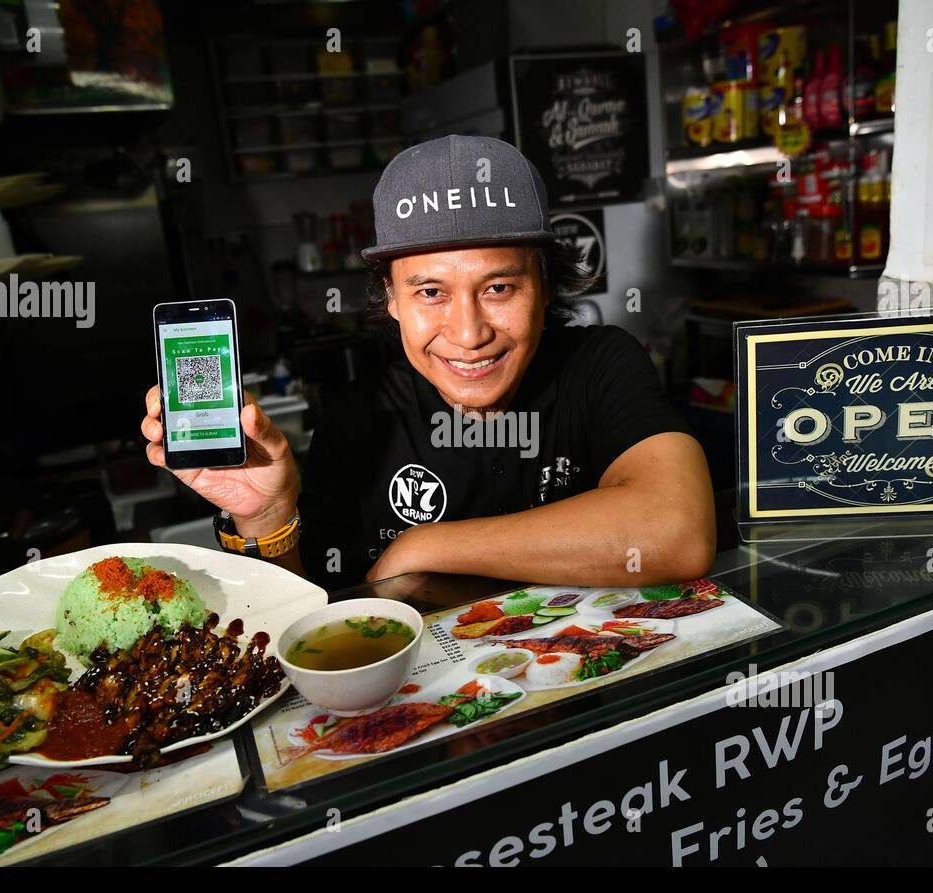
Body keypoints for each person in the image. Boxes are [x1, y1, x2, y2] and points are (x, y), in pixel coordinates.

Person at [141, 135, 715, 588]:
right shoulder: (357, 414)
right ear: (390, 298)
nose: (468, 335)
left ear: (544, 284)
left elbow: (678, 531)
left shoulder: (600, 363)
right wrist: (267, 516)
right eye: (430, 293)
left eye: (498, 288)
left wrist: (423, 547)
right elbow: (308, 627)